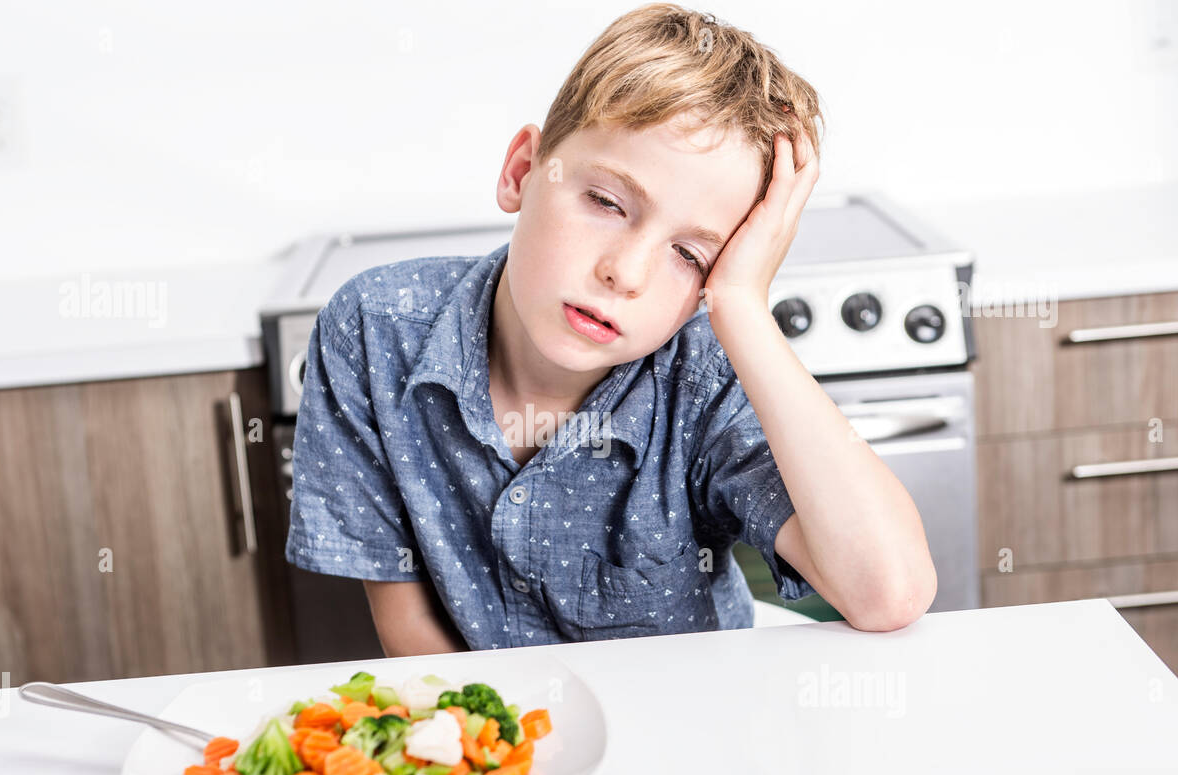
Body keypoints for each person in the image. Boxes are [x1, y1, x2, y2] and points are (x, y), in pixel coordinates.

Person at [286, 3, 937, 655]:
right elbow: (409, 622)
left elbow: (888, 592)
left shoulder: (707, 377)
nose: (624, 273)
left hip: (694, 727)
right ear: (522, 171)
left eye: (691, 255)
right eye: (605, 202)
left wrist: (740, 301)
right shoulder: (373, 329)